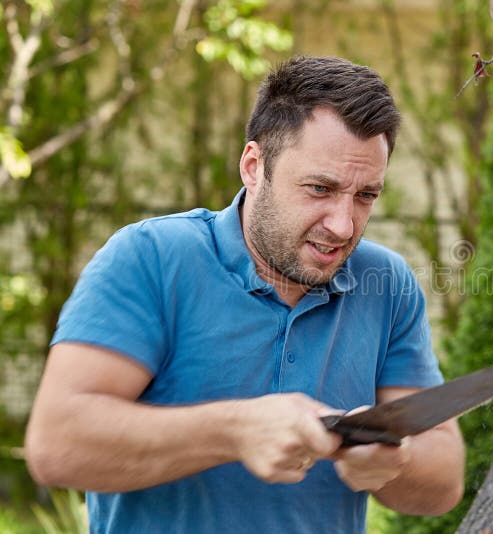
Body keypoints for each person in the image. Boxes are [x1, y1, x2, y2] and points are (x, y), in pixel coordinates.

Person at [24, 56, 465, 533]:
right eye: (320, 188)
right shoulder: (151, 258)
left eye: (365, 196)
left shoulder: (388, 283)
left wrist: (394, 457)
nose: (343, 225)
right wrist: (234, 431)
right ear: (254, 166)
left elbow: (445, 479)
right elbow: (57, 444)